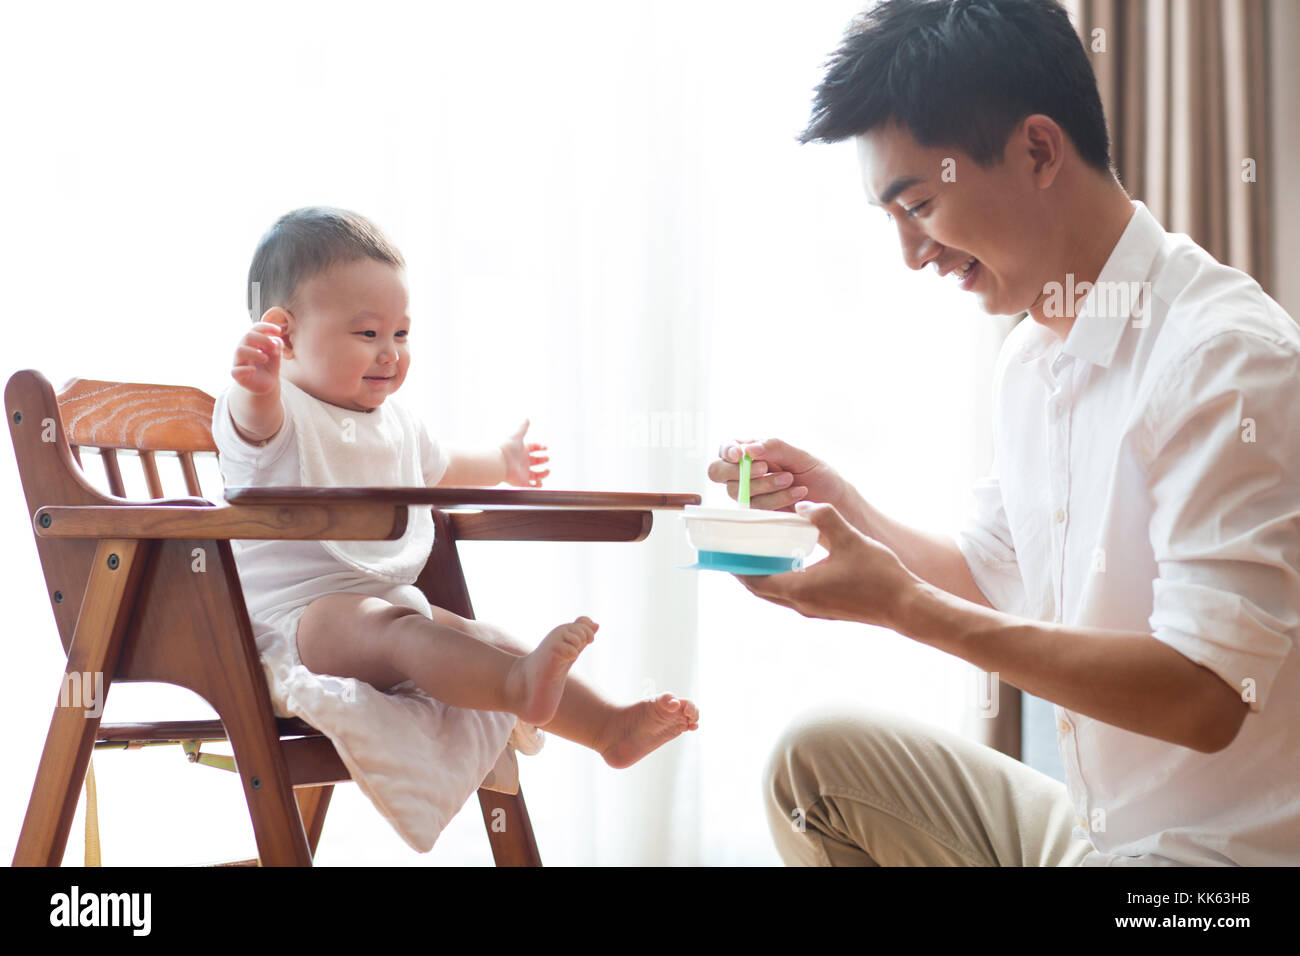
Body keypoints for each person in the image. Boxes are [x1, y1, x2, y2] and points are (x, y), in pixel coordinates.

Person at [709, 0, 1300, 865]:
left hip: (1216, 872)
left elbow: (1207, 697)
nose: (913, 253)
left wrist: (907, 611)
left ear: (1036, 150)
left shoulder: (1223, 359)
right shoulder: (1031, 360)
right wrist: (841, 506)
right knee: (817, 765)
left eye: (918, 204)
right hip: (1098, 839)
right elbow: (993, 579)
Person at [214, 206, 698, 849]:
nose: (390, 353)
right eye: (366, 333)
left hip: (381, 609)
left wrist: (503, 461)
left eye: (402, 334)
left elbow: (441, 466)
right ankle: (513, 688)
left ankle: (608, 727)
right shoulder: (280, 414)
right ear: (285, 334)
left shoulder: (395, 422)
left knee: (482, 635)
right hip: (293, 624)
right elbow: (252, 429)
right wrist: (257, 384)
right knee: (398, 631)